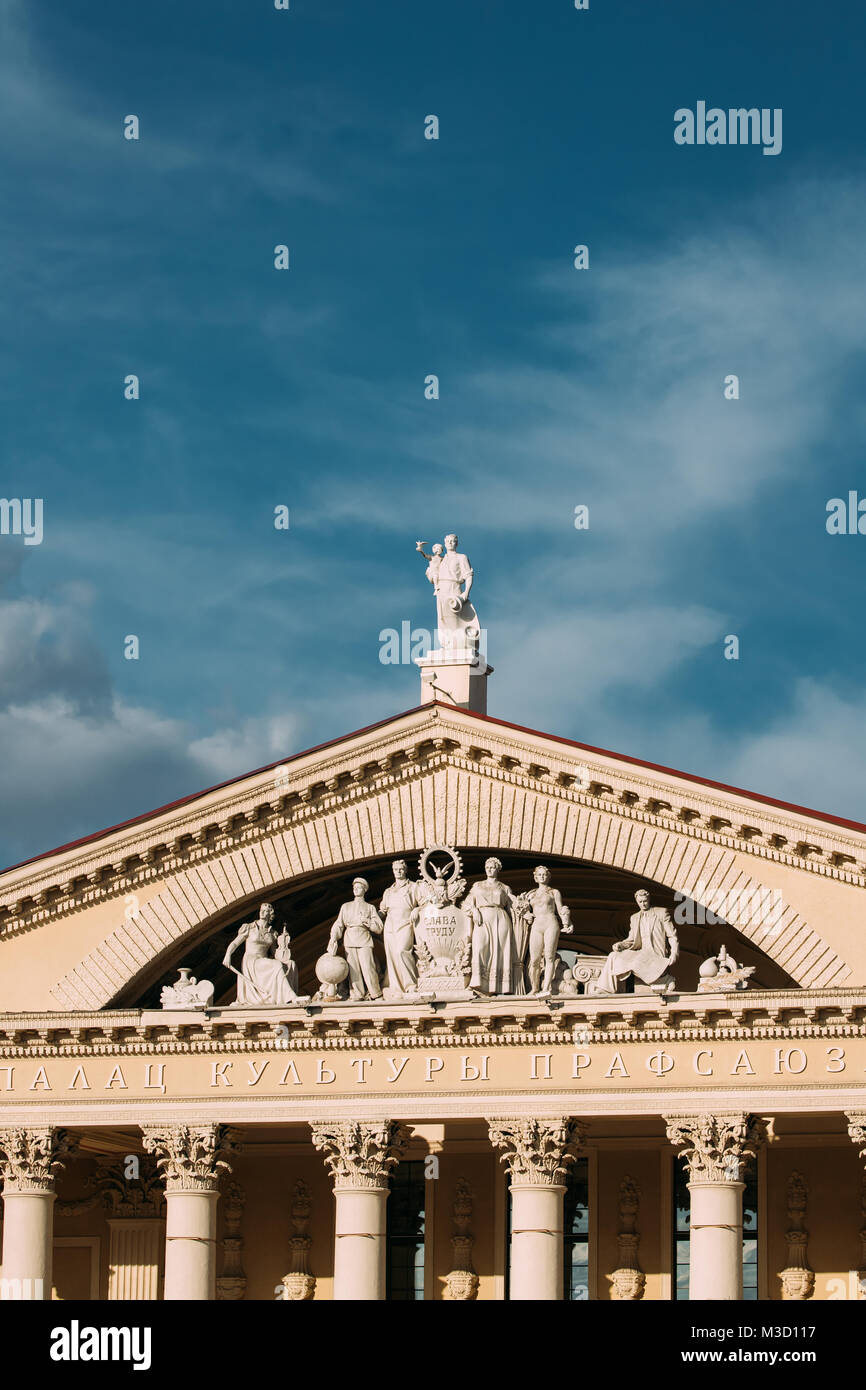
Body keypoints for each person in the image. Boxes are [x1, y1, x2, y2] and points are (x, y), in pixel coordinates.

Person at [592, 889, 678, 995]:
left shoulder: (661, 913)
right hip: (642, 951)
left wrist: (674, 954)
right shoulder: (635, 918)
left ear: (649, 899)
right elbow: (631, 939)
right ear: (637, 901)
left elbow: (672, 935)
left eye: (645, 901)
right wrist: (620, 945)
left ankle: (666, 979)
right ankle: (605, 988)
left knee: (635, 963)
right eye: (640, 902)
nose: (643, 904)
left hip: (655, 952)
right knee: (613, 956)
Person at [223, 903, 308, 1006]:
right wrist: (228, 955)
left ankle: (286, 996)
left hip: (263, 960)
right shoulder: (249, 928)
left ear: (270, 915)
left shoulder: (272, 933)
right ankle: (291, 997)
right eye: (261, 910)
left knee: (291, 964)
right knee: (276, 965)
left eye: (266, 911)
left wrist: (283, 944)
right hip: (251, 961)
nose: (262, 912)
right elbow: (235, 943)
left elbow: (275, 954)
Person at [465, 857, 525, 995]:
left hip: (501, 919)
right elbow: (467, 903)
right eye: (487, 867)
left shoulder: (504, 887)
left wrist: (525, 912)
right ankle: (477, 983)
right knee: (479, 947)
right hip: (482, 918)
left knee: (501, 951)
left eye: (492, 867)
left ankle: (498, 987)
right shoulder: (477, 885)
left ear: (498, 869)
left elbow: (514, 906)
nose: (489, 869)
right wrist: (474, 910)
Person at [327, 878, 384, 1000]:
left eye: (359, 887)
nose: (356, 889)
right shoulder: (346, 906)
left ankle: (375, 993)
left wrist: (368, 922)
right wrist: (334, 937)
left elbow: (379, 928)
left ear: (364, 890)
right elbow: (339, 924)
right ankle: (357, 994)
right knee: (353, 970)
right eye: (354, 888)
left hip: (364, 938)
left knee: (368, 967)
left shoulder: (370, 908)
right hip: (350, 939)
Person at [523, 865, 573, 995]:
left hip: (551, 923)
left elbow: (560, 909)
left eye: (544, 874)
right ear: (535, 877)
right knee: (534, 960)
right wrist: (525, 915)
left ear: (548, 877)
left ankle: (545, 988)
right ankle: (534, 988)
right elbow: (523, 911)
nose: (542, 877)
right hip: (537, 925)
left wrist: (567, 923)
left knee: (549, 957)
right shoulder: (530, 895)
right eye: (539, 875)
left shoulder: (554, 892)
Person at [380, 859, 422, 994]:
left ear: (405, 870)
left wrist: (418, 909)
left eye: (400, 869)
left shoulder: (413, 887)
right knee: (392, 955)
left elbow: (426, 902)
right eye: (395, 869)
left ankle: (410, 984)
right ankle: (396, 987)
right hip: (390, 925)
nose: (398, 871)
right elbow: (382, 910)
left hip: (405, 923)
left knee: (402, 951)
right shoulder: (388, 891)